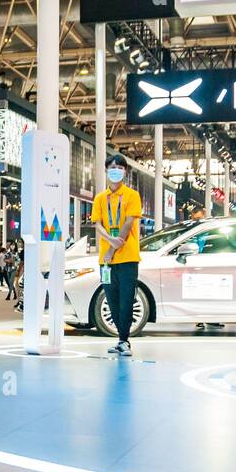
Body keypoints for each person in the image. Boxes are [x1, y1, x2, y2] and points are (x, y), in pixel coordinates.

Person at [92, 153, 143, 356]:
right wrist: (110, 242)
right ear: (106, 170)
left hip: (128, 257)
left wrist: (113, 247)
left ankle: (124, 340)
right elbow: (98, 224)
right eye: (112, 167)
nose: (116, 170)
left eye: (120, 167)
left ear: (125, 171)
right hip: (105, 261)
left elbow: (129, 222)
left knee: (126, 300)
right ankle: (120, 339)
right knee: (111, 299)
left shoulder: (132, 196)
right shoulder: (100, 198)